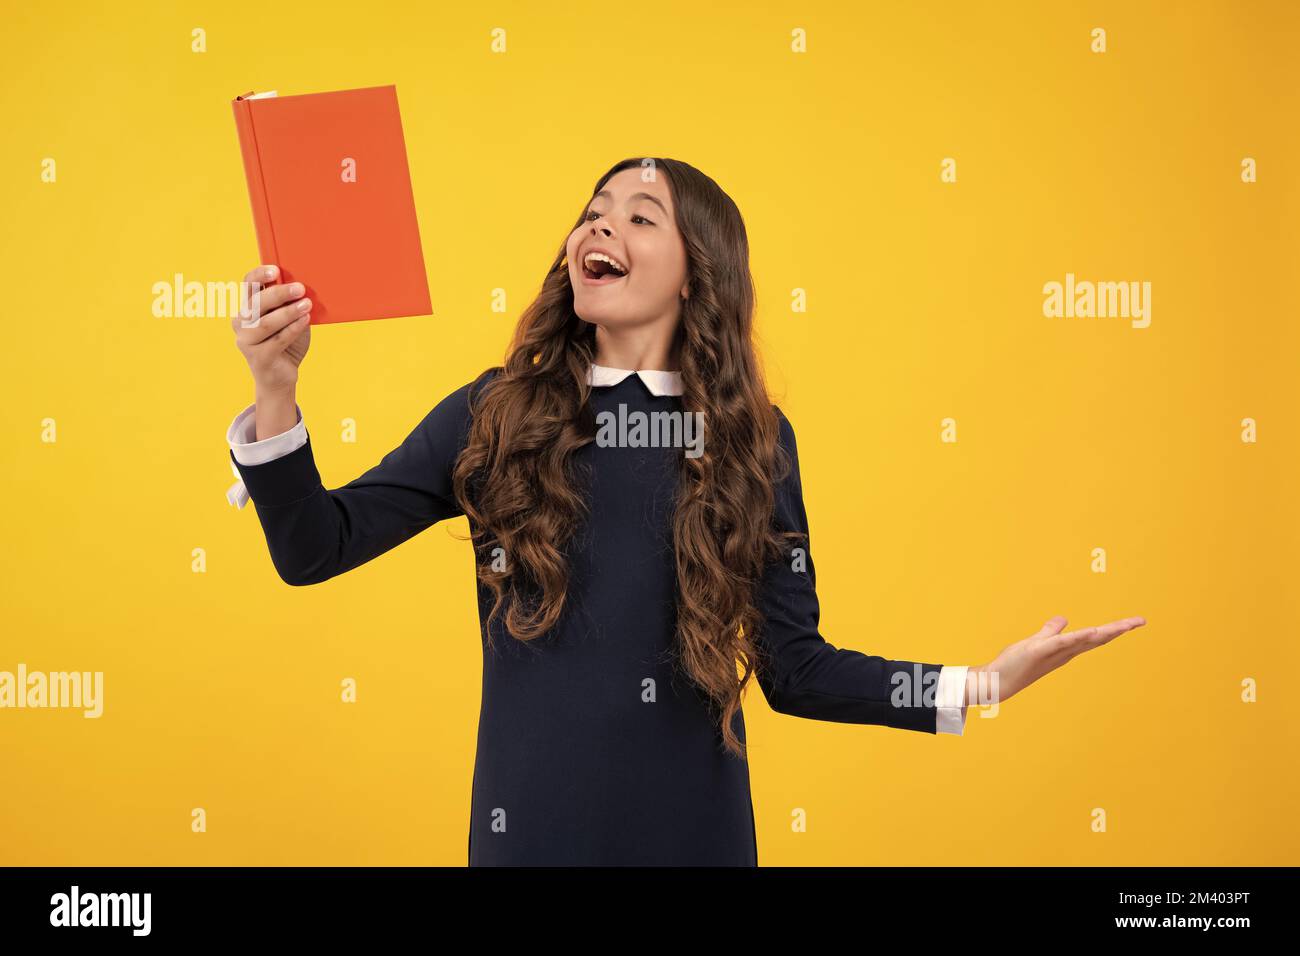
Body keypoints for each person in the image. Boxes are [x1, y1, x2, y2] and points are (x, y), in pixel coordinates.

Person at [225, 157, 1146, 865]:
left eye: (639, 215)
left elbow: (797, 669)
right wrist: (275, 386)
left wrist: (975, 684)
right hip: (529, 836)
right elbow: (315, 546)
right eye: (593, 212)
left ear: (694, 274)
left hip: (696, 838)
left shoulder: (754, 441)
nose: (601, 224)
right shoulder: (495, 412)